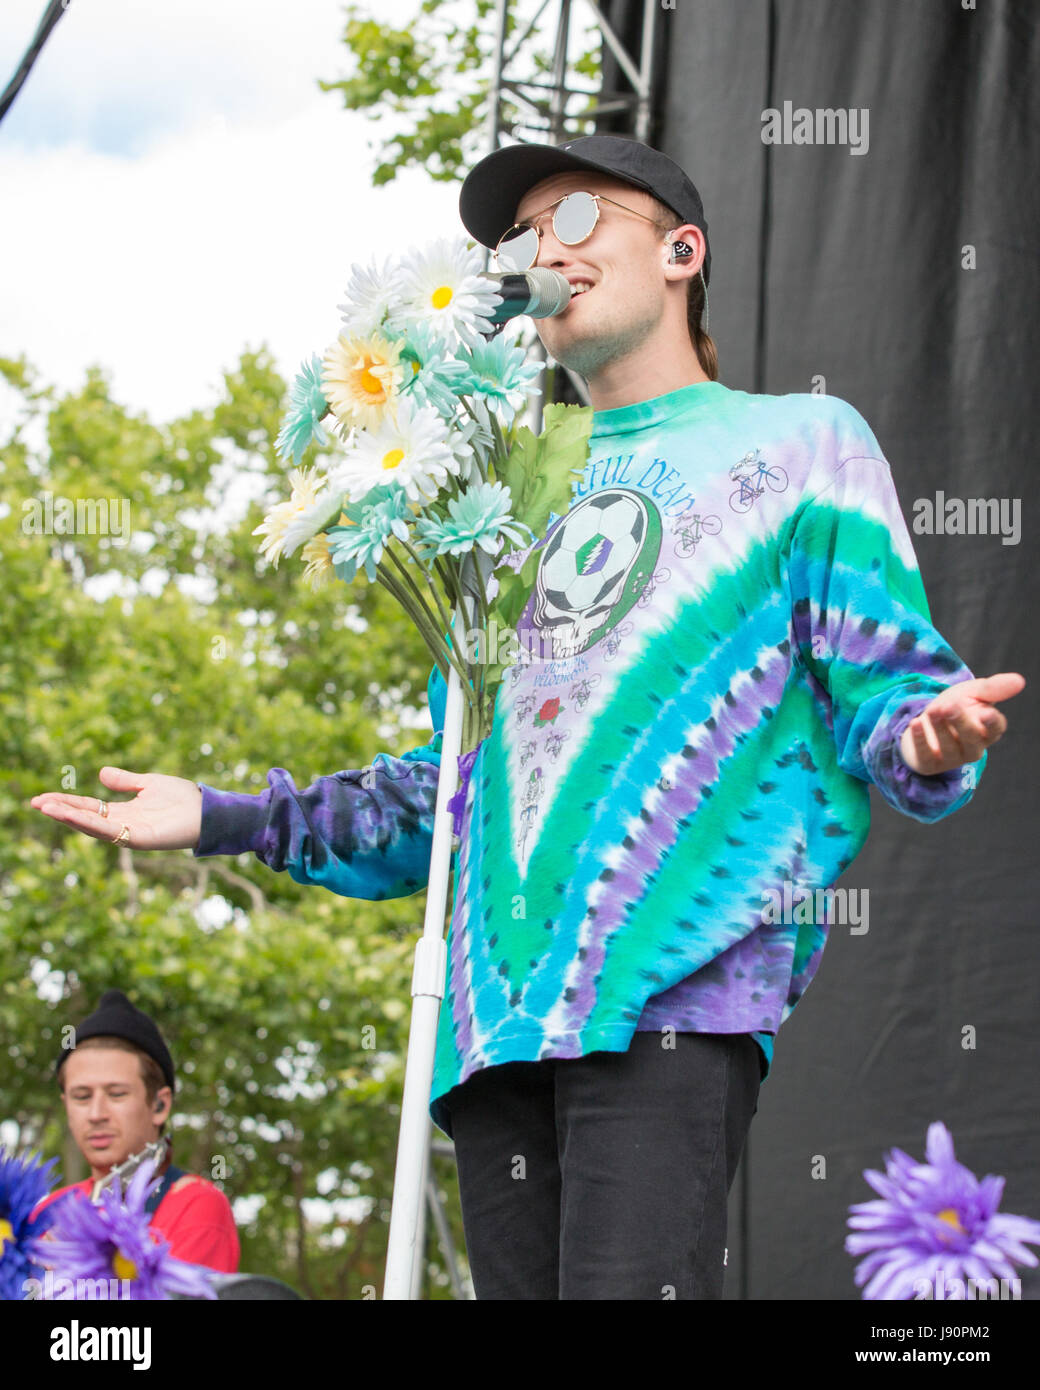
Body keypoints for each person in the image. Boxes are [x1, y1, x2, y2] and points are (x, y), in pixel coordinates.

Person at [30, 135, 1024, 1300]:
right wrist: (226, 814)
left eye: (576, 218)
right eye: (517, 236)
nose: (538, 250)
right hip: (491, 1027)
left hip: (670, 994)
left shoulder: (800, 443)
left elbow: (890, 688)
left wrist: (921, 732)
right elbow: (454, 793)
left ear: (680, 251)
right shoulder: (498, 504)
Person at [32, 989, 240, 1274]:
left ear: (160, 1105)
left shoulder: (195, 1204)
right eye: (81, 1097)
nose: (96, 1114)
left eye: (116, 1094)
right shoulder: (50, 1211)